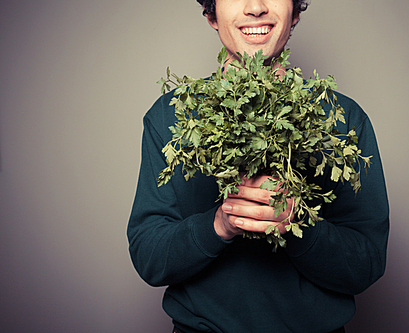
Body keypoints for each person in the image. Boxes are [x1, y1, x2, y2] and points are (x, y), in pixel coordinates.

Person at [127, 1, 390, 332]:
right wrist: (220, 225)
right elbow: (149, 257)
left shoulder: (343, 119)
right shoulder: (171, 117)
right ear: (211, 13)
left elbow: (366, 263)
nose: (255, 7)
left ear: (294, 12)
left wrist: (299, 225)